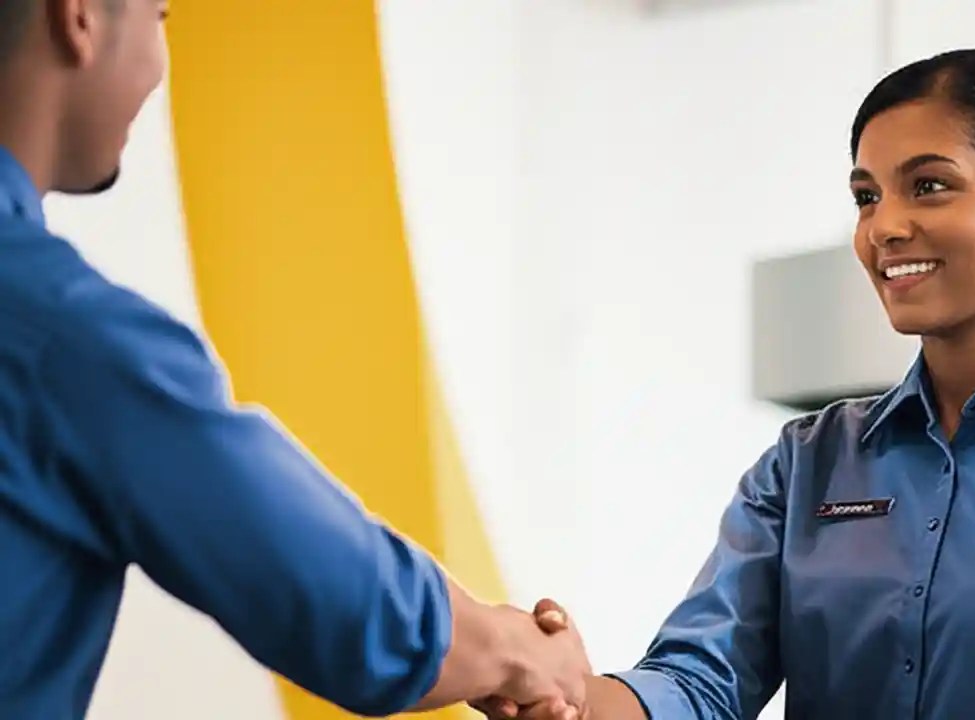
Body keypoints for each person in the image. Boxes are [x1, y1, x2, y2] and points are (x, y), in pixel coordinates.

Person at [481, 48, 975, 719]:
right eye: (867, 196)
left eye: (930, 186)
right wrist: (571, 698)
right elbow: (701, 685)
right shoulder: (807, 461)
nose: (883, 227)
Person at [0, 1, 588, 717]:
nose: (159, 65)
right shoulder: (59, 332)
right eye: (160, 16)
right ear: (82, 17)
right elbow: (342, 602)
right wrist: (519, 653)